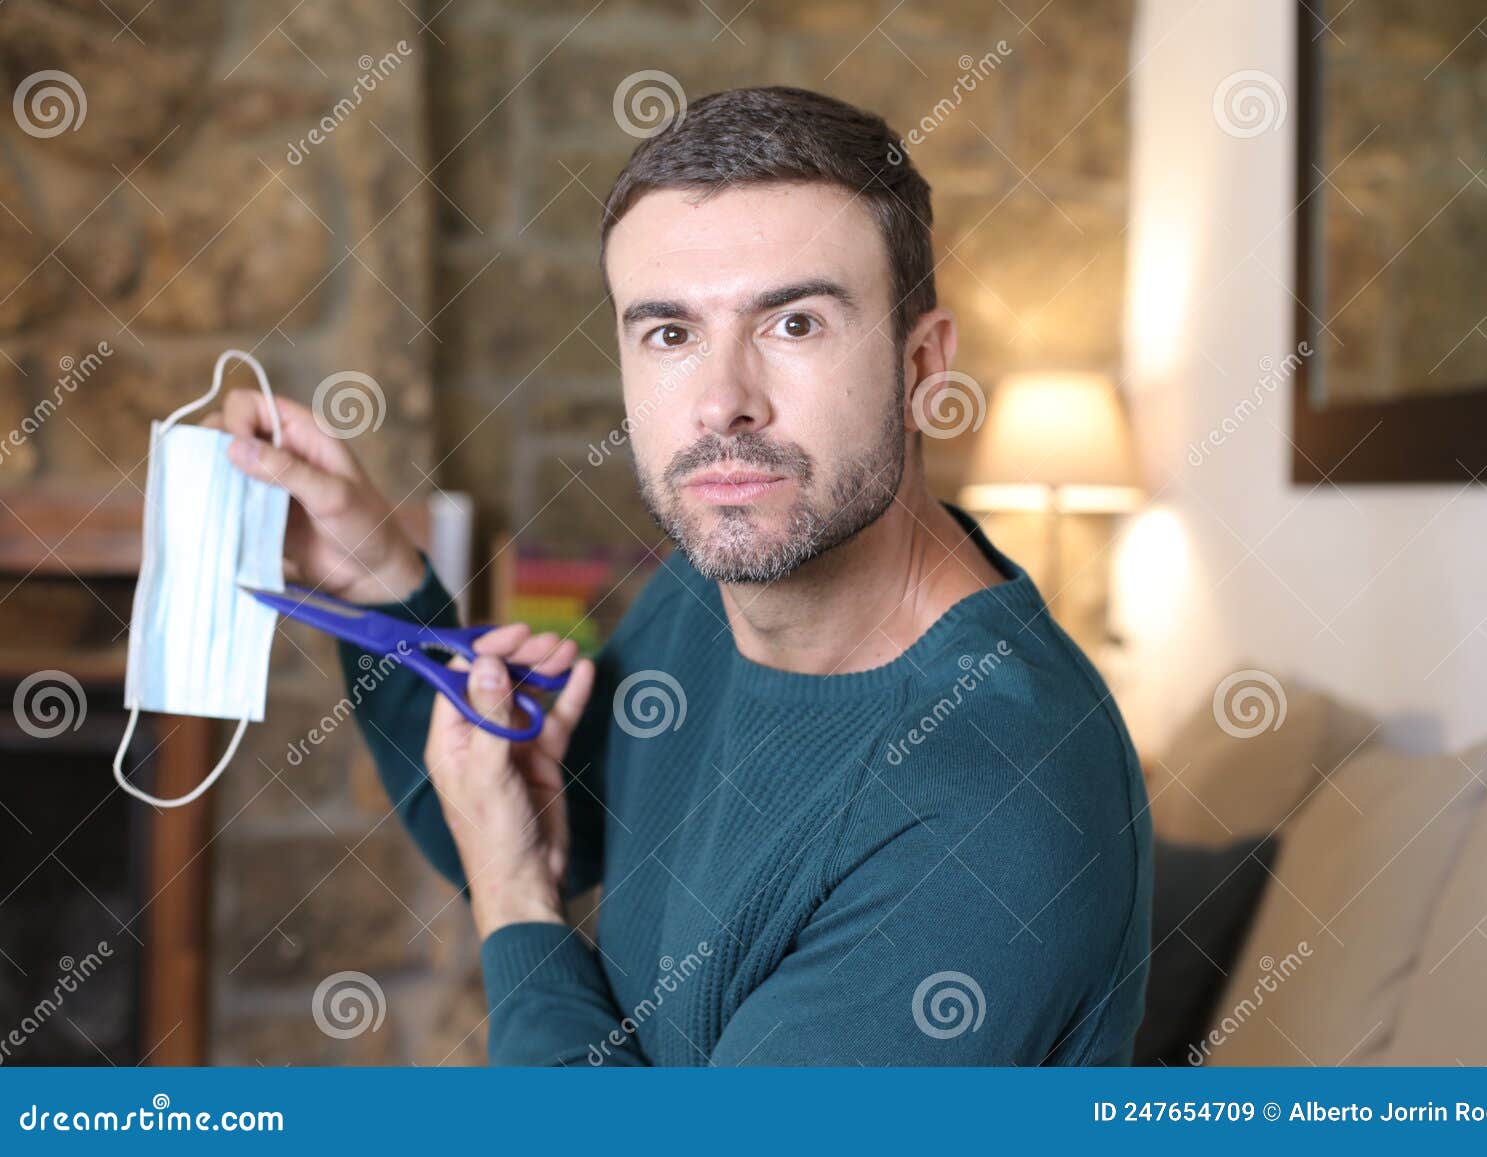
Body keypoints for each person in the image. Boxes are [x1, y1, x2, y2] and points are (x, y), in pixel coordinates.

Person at [214, 86, 1152, 1066]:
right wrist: (378, 578)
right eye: (669, 333)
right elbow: (519, 829)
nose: (720, 404)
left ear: (923, 364)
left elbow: (519, 881)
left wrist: (514, 899)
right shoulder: (709, 592)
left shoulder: (991, 811)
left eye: (792, 325)